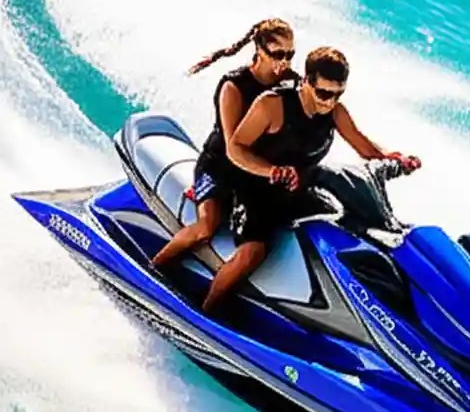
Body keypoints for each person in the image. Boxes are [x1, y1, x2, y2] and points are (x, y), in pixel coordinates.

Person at [202, 46, 422, 312]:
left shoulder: (335, 112)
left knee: (346, 220)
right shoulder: (272, 105)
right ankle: (208, 309)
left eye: (337, 94)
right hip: (255, 187)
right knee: (253, 252)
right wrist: (271, 170)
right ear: (306, 81)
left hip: (297, 188)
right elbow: (235, 148)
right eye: (324, 93)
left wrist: (396, 158)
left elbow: (366, 149)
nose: (329, 102)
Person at [149, 19, 299, 270]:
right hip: (220, 167)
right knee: (206, 228)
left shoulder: (290, 82)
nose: (284, 62)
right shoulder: (233, 86)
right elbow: (232, 146)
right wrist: (270, 171)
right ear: (259, 51)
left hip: (255, 172)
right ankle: (155, 267)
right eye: (277, 54)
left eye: (290, 54)